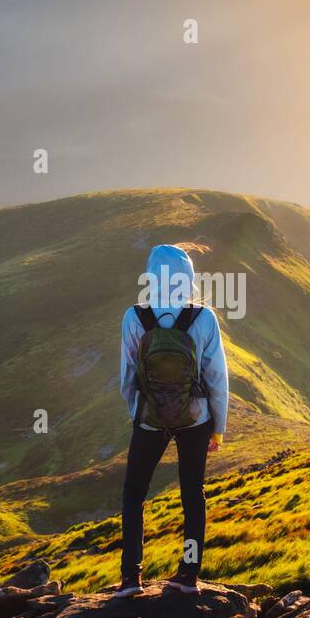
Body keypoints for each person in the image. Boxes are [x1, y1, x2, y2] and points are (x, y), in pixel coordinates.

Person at [116, 243, 229, 596]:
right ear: (188, 275)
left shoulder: (135, 317)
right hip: (196, 419)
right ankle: (188, 574)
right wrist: (219, 426)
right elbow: (216, 377)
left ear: (151, 274)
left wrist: (140, 414)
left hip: (150, 418)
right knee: (193, 494)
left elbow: (127, 377)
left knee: (134, 493)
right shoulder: (204, 317)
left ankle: (131, 576)